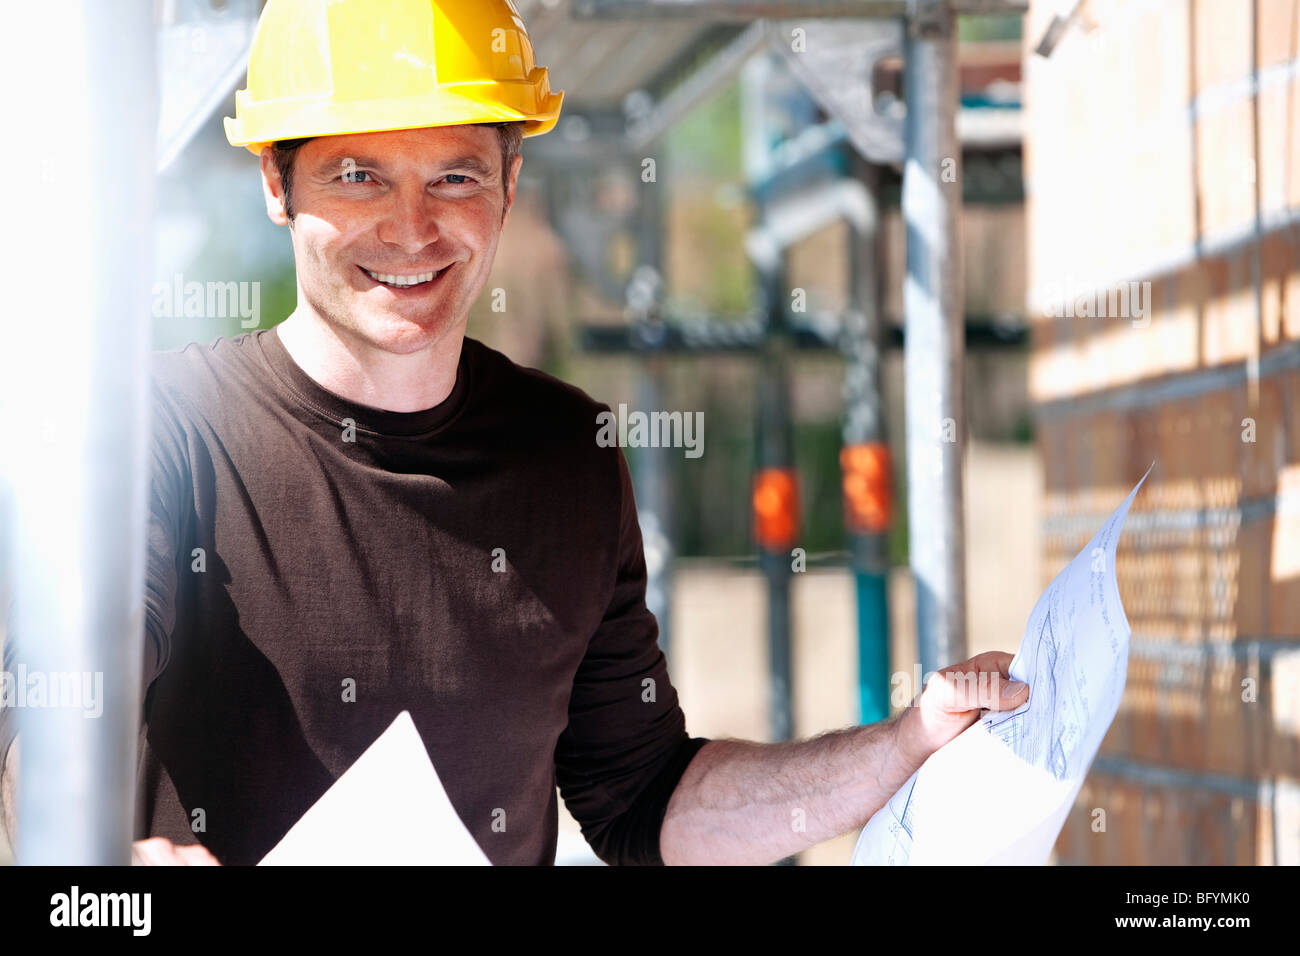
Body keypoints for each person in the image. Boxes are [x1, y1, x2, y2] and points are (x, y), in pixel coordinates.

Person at [0, 0, 1028, 866]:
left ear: (508, 186)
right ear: (277, 183)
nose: (411, 228)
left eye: (454, 174)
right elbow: (42, 726)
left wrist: (903, 744)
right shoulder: (162, 432)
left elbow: (645, 800)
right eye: (357, 174)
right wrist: (104, 872)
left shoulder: (564, 452)